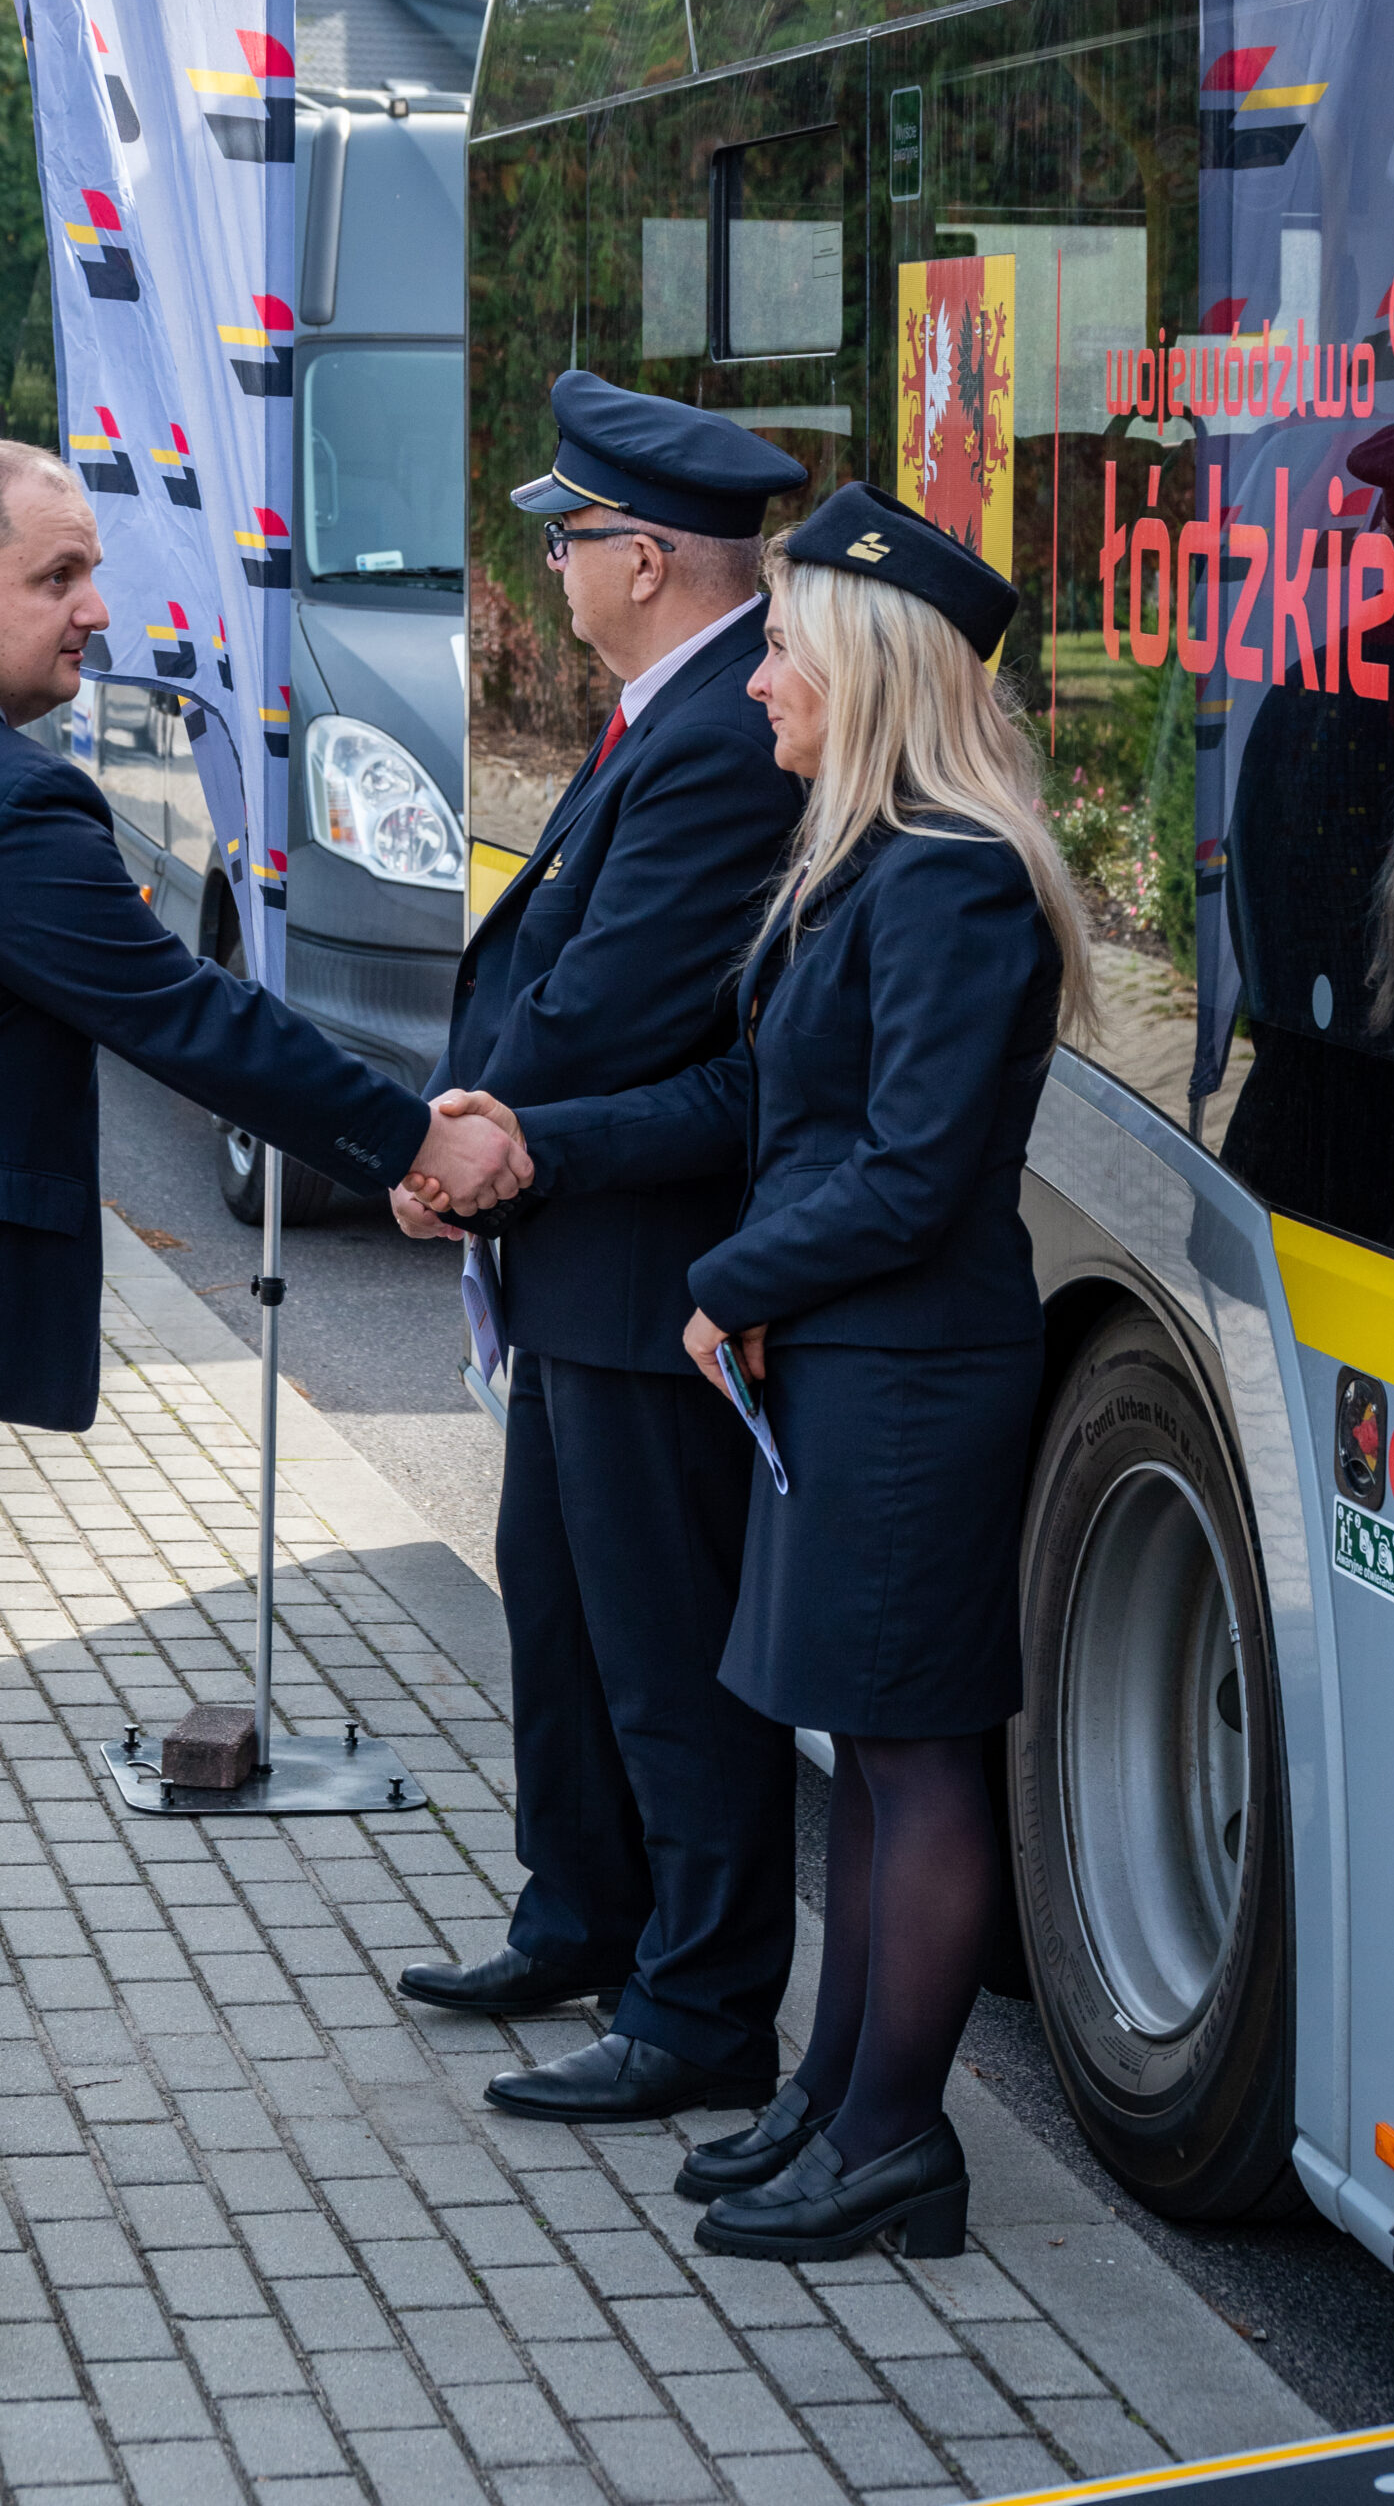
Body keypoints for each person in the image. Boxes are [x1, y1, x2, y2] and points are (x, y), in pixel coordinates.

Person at [0, 437, 529, 2328]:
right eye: (56, 577)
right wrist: (415, 1140)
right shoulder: (0, 801)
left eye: (90, 574)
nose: (94, 611)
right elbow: (186, 1018)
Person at [425, 481, 1092, 2258]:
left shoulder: (953, 879)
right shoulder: (869, 862)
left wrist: (724, 1280)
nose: (760, 678)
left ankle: (894, 2144)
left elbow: (915, 1170)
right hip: (847, 1369)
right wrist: (546, 1148)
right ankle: (831, 2099)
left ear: (866, 671)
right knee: (864, 1756)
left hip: (908, 1376)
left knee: (914, 1757)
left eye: (785, 649)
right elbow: (754, 1098)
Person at [392, 372, 810, 2124]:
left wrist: (448, 1148)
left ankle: (701, 2008)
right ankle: (583, 1918)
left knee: (665, 1651)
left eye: (568, 538)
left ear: (644, 558)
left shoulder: (719, 734)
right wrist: (453, 1141)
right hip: (575, 1255)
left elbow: (612, 1005)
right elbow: (544, 971)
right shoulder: (674, 707)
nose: (549, 566)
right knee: (564, 1620)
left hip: (648, 1271)